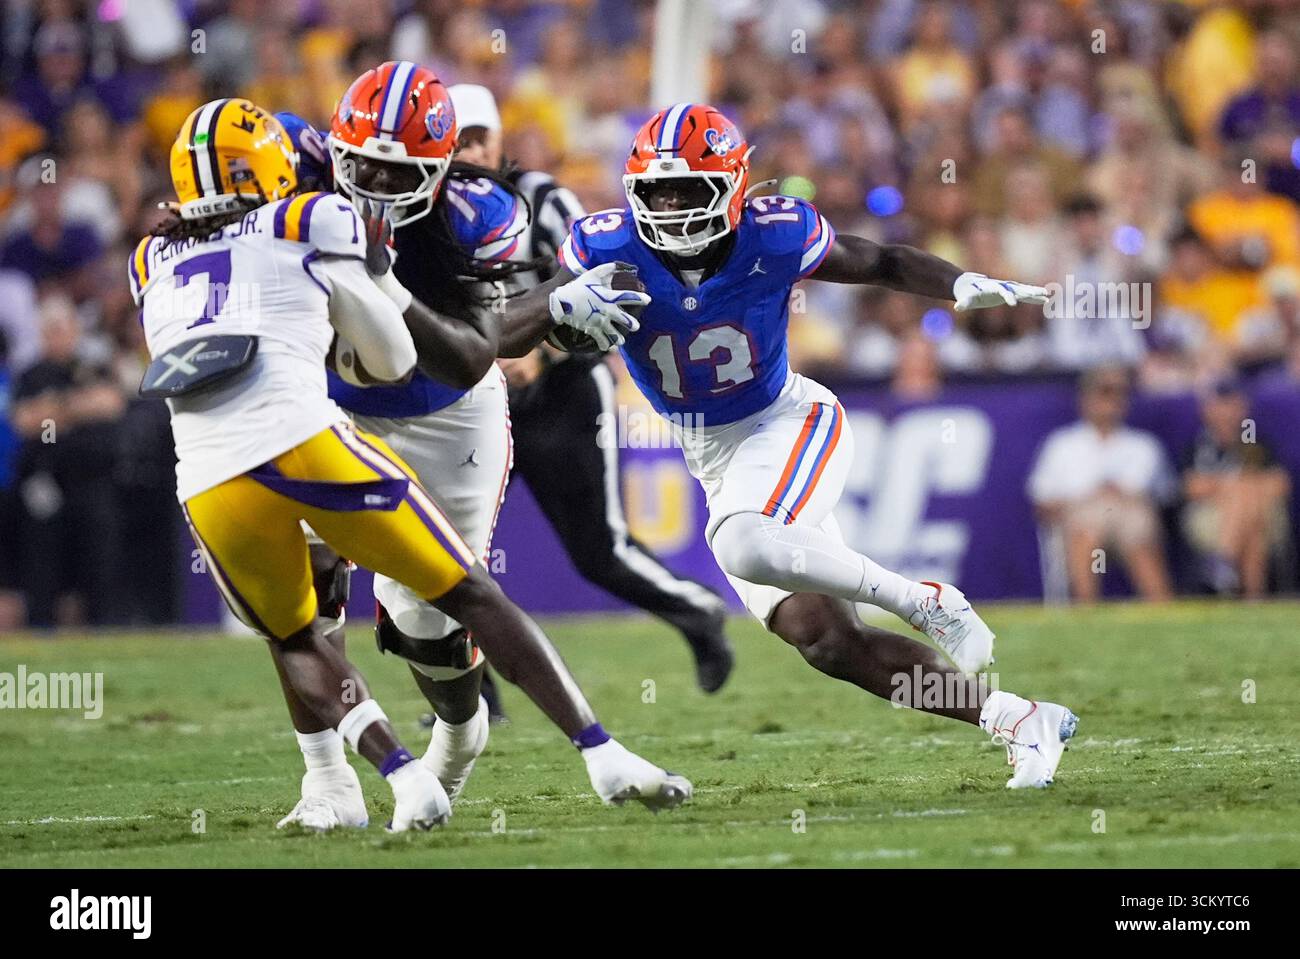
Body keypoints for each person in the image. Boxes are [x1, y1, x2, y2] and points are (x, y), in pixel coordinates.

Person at [136, 97, 688, 831]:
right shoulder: (308, 205)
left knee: (418, 620)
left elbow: (467, 355)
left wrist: (538, 304)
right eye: (358, 165)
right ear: (327, 152)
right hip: (331, 415)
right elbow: (384, 340)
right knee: (359, 594)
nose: (372, 184)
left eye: (397, 172)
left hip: (434, 415)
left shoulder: (473, 212)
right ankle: (333, 780)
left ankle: (443, 745)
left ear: (440, 169)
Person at [506, 103, 1079, 789]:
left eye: (691, 189)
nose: (674, 206)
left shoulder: (773, 236)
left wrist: (956, 283)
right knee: (828, 640)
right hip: (714, 457)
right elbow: (504, 332)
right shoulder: (602, 247)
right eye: (660, 192)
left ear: (732, 188)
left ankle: (923, 600)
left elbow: (883, 260)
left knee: (742, 541)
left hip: (786, 422)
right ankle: (1019, 718)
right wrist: (555, 313)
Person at [449, 82, 734, 701]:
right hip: (469, 400)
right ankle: (468, 702)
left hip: (561, 391)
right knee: (445, 554)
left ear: (499, 142)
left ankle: (698, 611)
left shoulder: (543, 201)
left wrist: (543, 350)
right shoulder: (422, 220)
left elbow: (610, 286)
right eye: (457, 139)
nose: (468, 152)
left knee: (598, 552)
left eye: (479, 138)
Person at [1028, 365, 1176, 602]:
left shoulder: (1144, 446)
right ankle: (1087, 612)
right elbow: (1042, 501)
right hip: (1079, 517)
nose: (1112, 400)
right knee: (1087, 530)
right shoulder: (1062, 445)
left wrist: (1117, 499)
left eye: (1120, 393)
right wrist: (1086, 502)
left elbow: (1165, 497)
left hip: (1131, 517)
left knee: (1136, 529)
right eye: (1105, 392)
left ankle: (1161, 608)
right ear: (1086, 398)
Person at [1181, 378, 1291, 598]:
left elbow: (1281, 484)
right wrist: (1234, 485)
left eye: (1231, 405)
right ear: (1207, 410)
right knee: (1251, 519)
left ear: (1243, 408)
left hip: (1260, 512)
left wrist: (1231, 485)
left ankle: (1222, 565)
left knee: (1247, 497)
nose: (1226, 413)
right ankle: (1254, 599)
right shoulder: (1199, 444)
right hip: (1211, 514)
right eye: (1219, 405)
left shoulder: (1256, 441)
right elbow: (1191, 487)